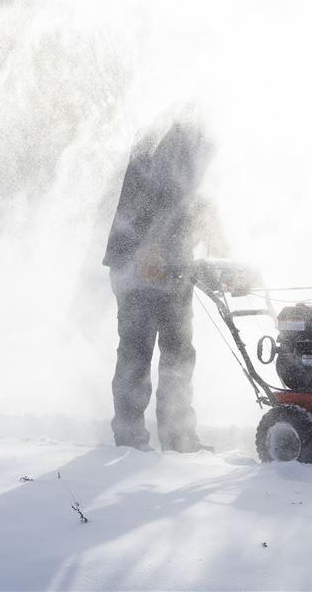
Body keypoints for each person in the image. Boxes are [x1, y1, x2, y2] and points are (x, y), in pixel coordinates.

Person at [103, 114, 225, 452]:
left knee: (179, 352)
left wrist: (226, 258)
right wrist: (146, 250)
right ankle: (129, 441)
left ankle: (179, 436)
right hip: (137, 266)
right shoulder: (159, 142)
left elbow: (203, 207)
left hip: (174, 266)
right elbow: (142, 201)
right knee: (137, 351)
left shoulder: (198, 151)